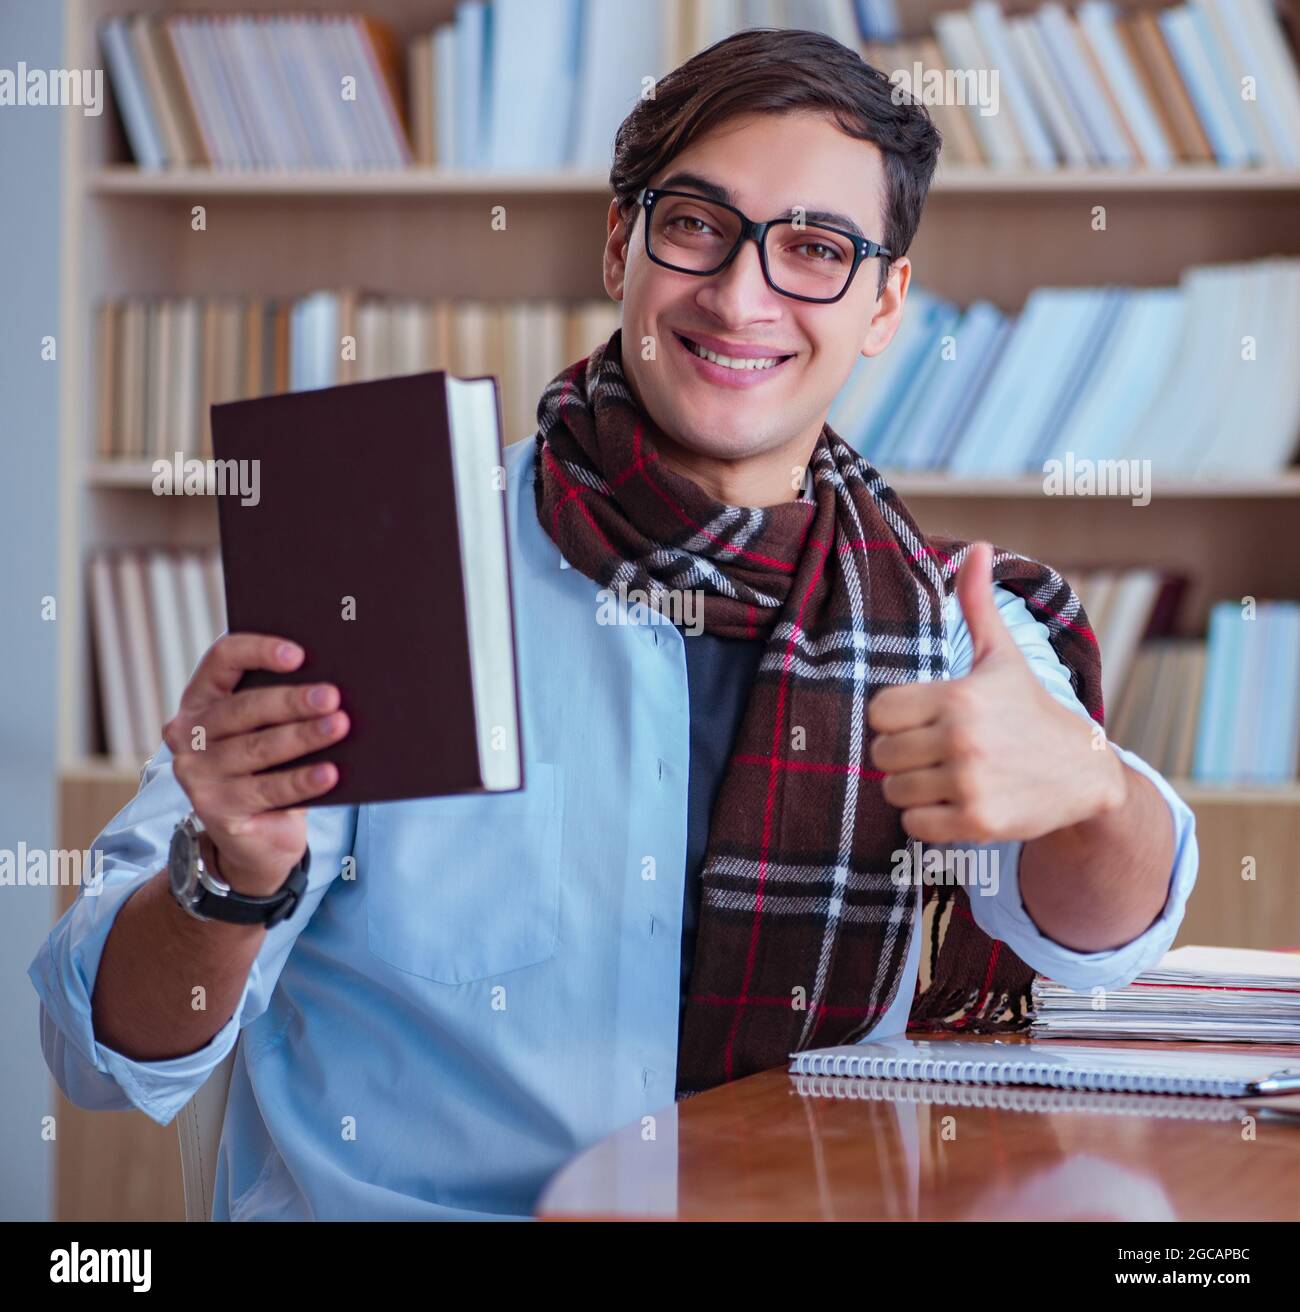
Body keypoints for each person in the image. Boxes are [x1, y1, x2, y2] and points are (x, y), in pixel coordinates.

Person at [31, 28, 1196, 1221]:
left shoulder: (939, 617)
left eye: (813, 249)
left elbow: (1104, 940)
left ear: (884, 303)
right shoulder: (389, 558)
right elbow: (104, 1051)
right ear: (617, 243)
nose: (739, 296)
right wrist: (226, 880)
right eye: (694, 224)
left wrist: (1092, 787)